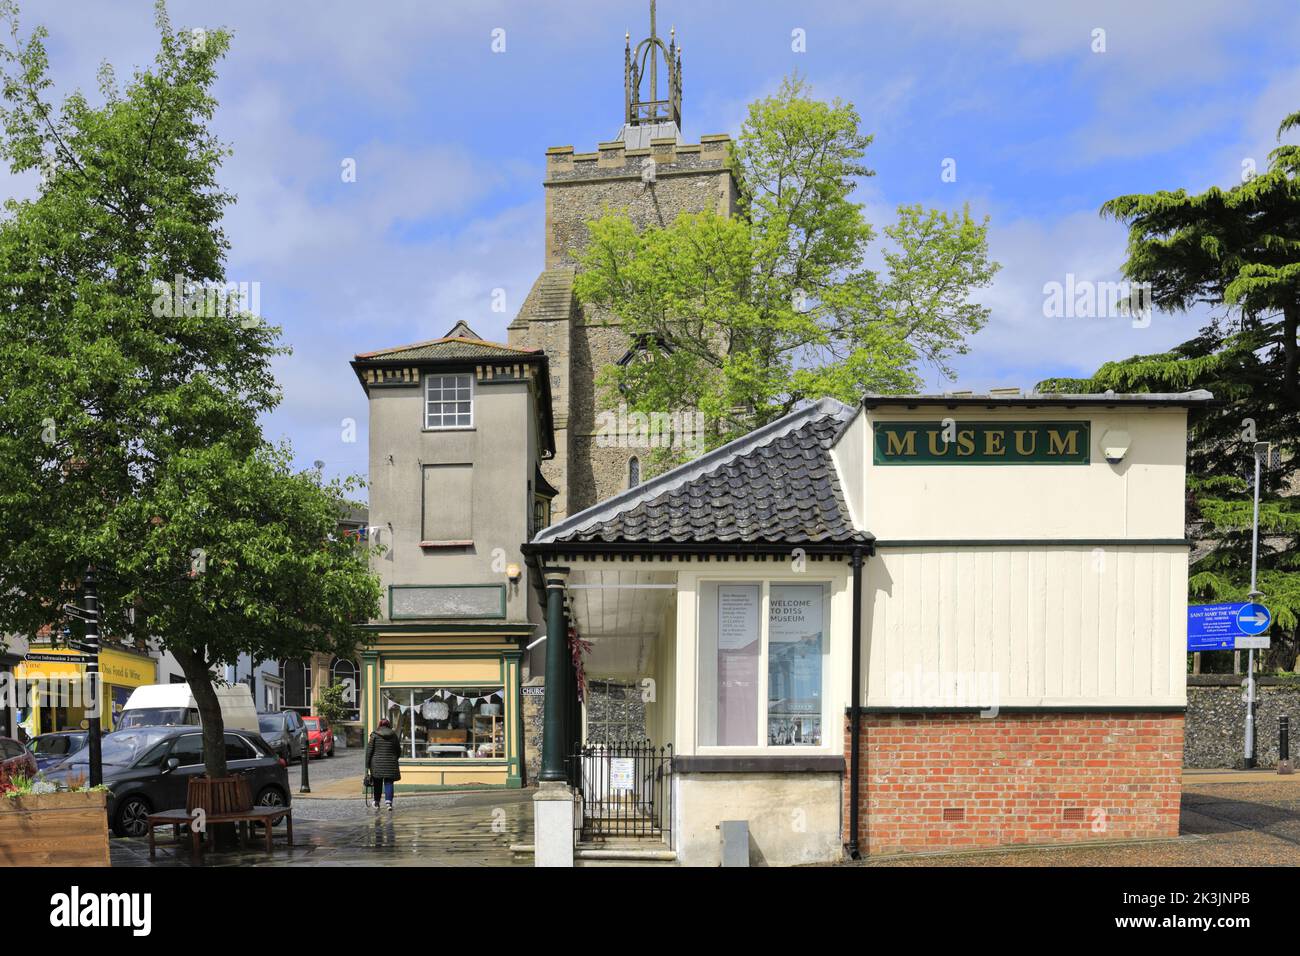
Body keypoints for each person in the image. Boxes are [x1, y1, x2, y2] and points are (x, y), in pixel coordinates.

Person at [365, 718, 402, 811]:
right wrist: (394, 758)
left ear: (380, 725)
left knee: (377, 783)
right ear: (389, 725)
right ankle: (389, 803)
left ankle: (377, 802)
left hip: (376, 764)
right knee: (389, 783)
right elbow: (398, 750)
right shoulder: (394, 735)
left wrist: (367, 765)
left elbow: (369, 751)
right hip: (390, 763)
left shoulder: (374, 735)